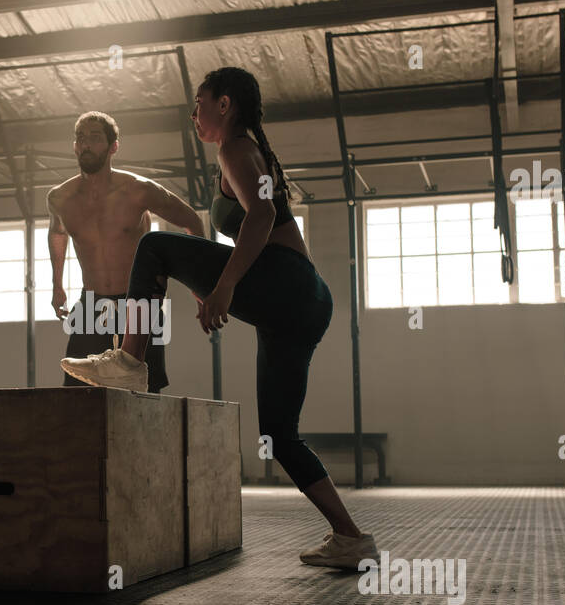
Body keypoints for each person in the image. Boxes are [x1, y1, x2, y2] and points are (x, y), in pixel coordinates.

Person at [60, 68, 376, 569]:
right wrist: (211, 283)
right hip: (301, 303)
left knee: (154, 246)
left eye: (199, 103)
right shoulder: (246, 150)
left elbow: (263, 217)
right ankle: (350, 536)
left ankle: (128, 359)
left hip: (285, 283)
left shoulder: (235, 149)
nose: (193, 114)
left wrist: (224, 286)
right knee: (279, 433)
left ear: (224, 104)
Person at [48, 112, 204, 394]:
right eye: (80, 138)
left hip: (139, 302)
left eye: (95, 137)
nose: (85, 144)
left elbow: (192, 221)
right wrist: (57, 285)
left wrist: (201, 286)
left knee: (144, 387)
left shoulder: (138, 190)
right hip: (92, 303)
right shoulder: (60, 197)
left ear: (113, 147)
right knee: (76, 388)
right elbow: (57, 233)